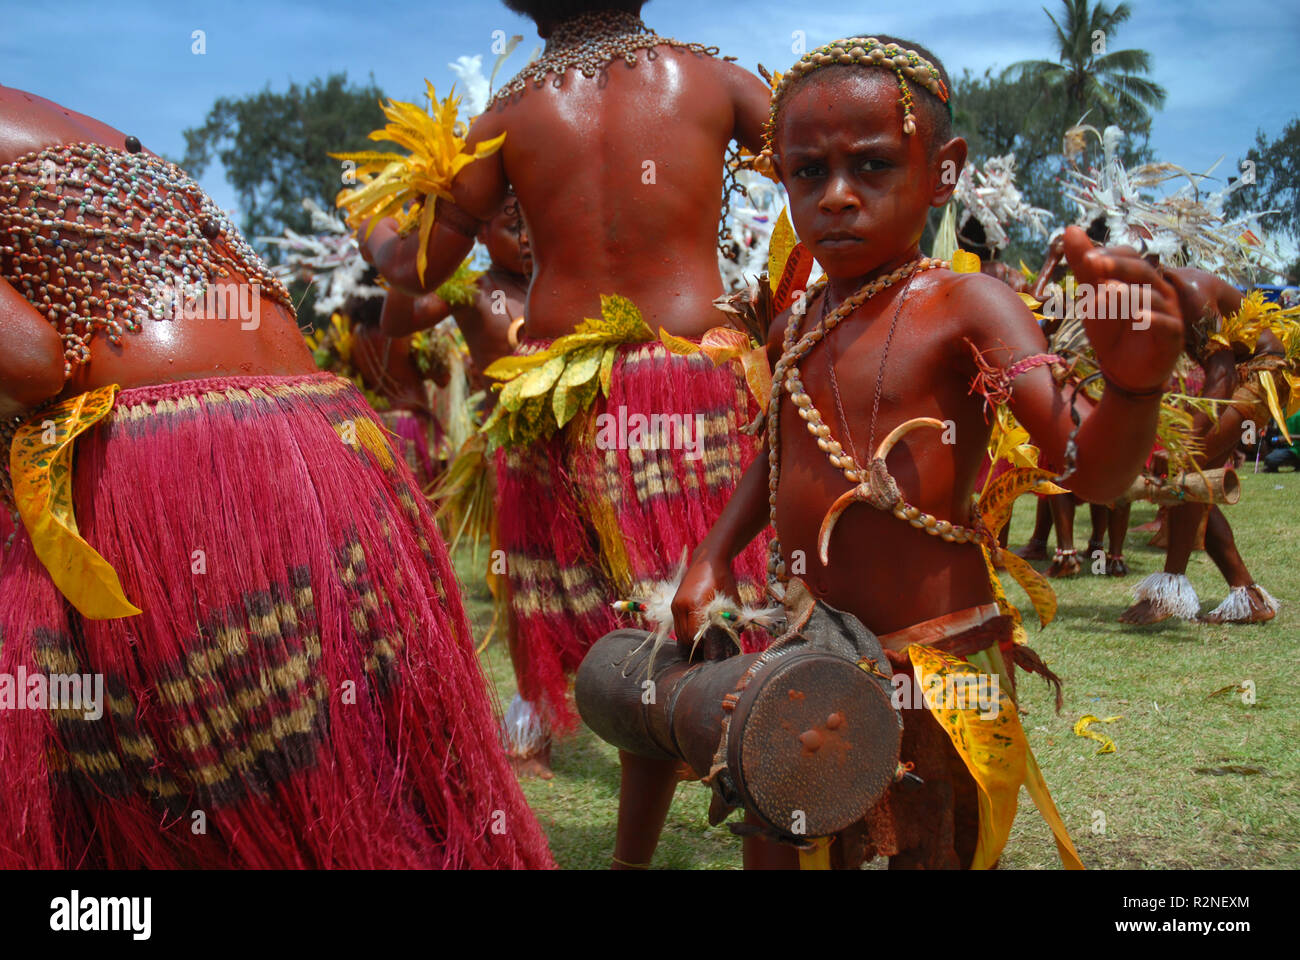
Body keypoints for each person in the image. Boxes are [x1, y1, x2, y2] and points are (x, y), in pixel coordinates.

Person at [659, 35, 1186, 869]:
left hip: (937, 670)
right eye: (807, 172)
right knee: (781, 848)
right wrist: (713, 556)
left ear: (943, 171)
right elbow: (778, 447)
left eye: (871, 167)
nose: (835, 197)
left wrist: (1132, 391)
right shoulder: (797, 318)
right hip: (806, 657)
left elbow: (1088, 470)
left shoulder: (971, 305)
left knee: (930, 849)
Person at [0, 85, 553, 868]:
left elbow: (31, 362)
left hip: (178, 459)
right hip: (321, 435)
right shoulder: (75, 125)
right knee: (374, 789)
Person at [357, 0, 775, 779]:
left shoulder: (505, 119)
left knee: (612, 609)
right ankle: (731, 744)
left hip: (559, 396)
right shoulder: (716, 79)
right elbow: (831, 163)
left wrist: (372, 230)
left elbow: (415, 271)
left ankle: (639, 740)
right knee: (712, 592)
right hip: (691, 377)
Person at [1121, 276, 1289, 625]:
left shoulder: (1191, 293)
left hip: (1259, 375)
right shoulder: (1149, 298)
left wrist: (1184, 441)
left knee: (1188, 471)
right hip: (1240, 376)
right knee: (1199, 488)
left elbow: (1222, 376)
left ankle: (1168, 595)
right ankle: (1248, 596)